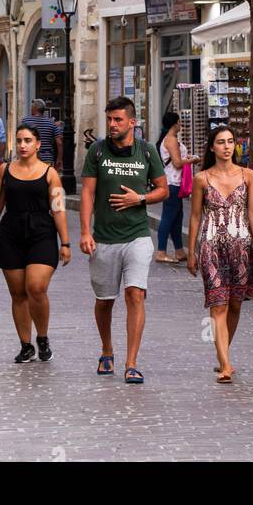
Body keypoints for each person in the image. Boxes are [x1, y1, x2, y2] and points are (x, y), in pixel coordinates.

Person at [80, 96, 167, 384]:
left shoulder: (147, 151)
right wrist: (84, 231)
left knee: (135, 294)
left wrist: (139, 198)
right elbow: (88, 194)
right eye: (109, 119)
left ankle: (132, 362)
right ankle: (107, 350)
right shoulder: (97, 151)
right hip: (104, 238)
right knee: (104, 301)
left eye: (118, 119)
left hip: (137, 237)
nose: (112, 124)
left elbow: (163, 190)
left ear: (133, 122)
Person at [0, 123, 71, 363]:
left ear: (38, 144)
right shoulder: (5, 170)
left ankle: (42, 337)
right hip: (12, 232)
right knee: (18, 293)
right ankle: (26, 345)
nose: (22, 145)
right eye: (19, 140)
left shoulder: (50, 173)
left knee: (36, 287)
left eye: (28, 140)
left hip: (42, 232)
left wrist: (66, 242)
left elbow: (59, 208)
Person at [187, 124, 253, 384]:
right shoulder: (202, 178)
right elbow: (196, 216)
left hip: (242, 247)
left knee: (234, 304)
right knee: (217, 304)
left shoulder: (248, 175)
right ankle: (225, 363)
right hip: (212, 247)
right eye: (221, 142)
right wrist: (191, 251)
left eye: (230, 141)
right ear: (212, 147)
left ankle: (224, 354)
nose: (227, 146)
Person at [155, 111, 196, 265]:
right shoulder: (171, 140)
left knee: (177, 218)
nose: (181, 124)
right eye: (179, 122)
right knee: (167, 218)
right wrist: (192, 160)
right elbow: (177, 163)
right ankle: (161, 251)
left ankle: (179, 251)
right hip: (172, 183)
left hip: (175, 183)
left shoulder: (170, 139)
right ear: (174, 124)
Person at [19, 99, 63, 171]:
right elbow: (59, 143)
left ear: (34, 108)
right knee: (45, 180)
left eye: (32, 106)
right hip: (47, 159)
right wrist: (59, 159)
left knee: (30, 180)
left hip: (30, 158)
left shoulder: (26, 121)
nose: (31, 108)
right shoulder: (51, 123)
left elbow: (21, 139)